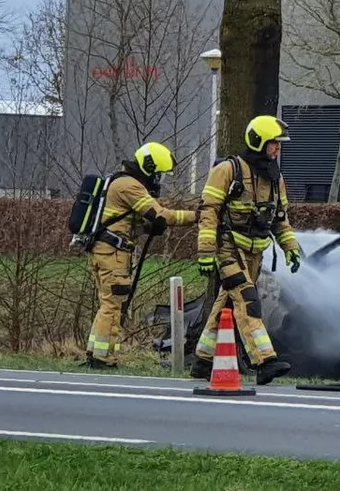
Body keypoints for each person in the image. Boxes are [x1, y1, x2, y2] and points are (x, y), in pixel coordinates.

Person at [190, 115, 302, 385]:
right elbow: (208, 213)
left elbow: (280, 218)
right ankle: (265, 361)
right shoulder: (227, 171)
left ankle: (203, 360)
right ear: (258, 142)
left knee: (228, 303)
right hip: (228, 249)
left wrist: (290, 247)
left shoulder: (275, 178)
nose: (278, 148)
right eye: (274, 143)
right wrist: (206, 253)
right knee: (248, 300)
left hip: (255, 254)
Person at [85, 142, 200, 369]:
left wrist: (148, 228)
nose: (158, 180)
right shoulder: (129, 185)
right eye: (158, 174)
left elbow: (126, 224)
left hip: (107, 251)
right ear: (149, 168)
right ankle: (102, 358)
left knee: (107, 304)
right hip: (113, 253)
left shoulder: (121, 182)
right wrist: (196, 216)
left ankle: (96, 352)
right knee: (113, 306)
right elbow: (161, 215)